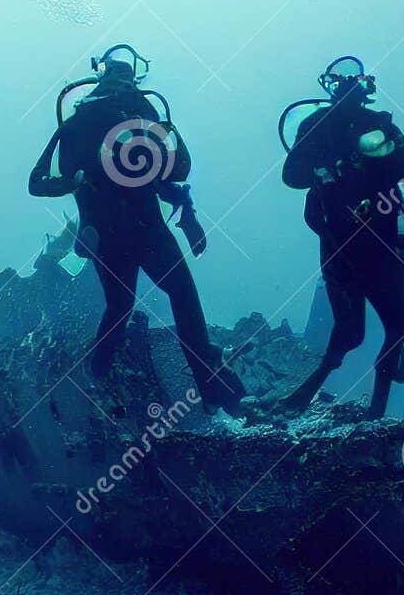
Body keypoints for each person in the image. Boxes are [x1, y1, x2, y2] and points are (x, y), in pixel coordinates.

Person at [29, 46, 244, 412]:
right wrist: (76, 181)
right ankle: (196, 384)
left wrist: (186, 210)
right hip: (130, 232)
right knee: (153, 301)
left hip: (122, 232)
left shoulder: (110, 117)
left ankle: (107, 376)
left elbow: (165, 174)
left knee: (130, 304)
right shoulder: (102, 118)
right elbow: (39, 183)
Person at [276, 57, 404, 420]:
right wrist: (327, 168)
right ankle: (334, 399)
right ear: (331, 86)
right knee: (365, 329)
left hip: (375, 239)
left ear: (364, 86)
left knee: (393, 325)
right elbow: (292, 175)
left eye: (351, 78)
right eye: (339, 79)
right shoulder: (315, 126)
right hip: (346, 241)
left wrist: (384, 151)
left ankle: (365, 405)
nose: (344, 84)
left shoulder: (381, 125)